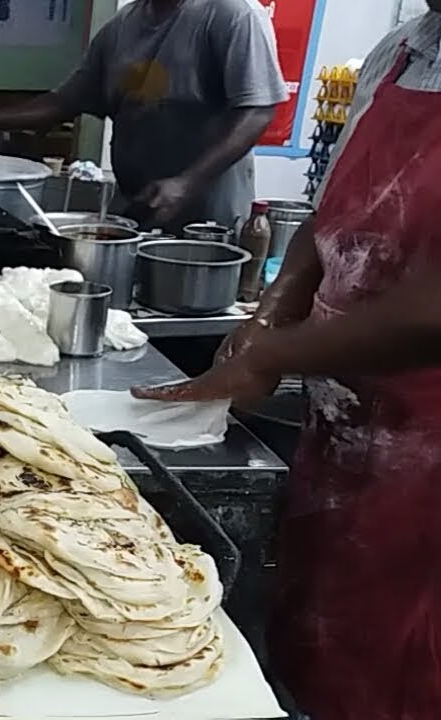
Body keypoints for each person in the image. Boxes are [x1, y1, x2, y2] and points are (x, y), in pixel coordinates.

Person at [132, 7, 441, 719]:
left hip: (431, 457)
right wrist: (267, 316)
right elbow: (331, 215)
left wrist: (277, 351)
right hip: (344, 436)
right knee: (318, 638)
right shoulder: (400, 52)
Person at [0, 0, 287, 231]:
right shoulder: (122, 26)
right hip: (138, 205)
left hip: (207, 219)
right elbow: (67, 100)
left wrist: (186, 183)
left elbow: (258, 110)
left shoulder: (231, 15)